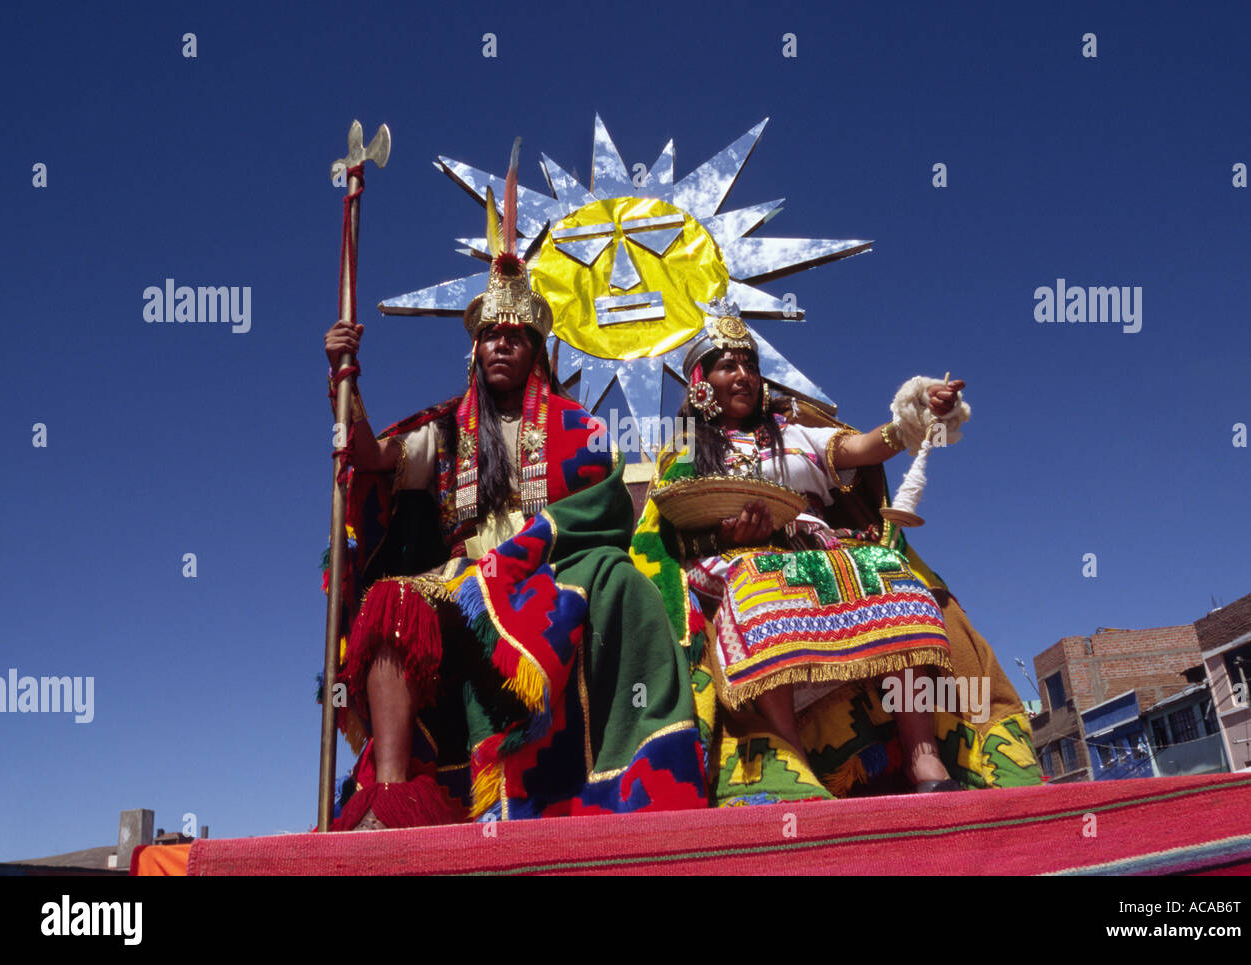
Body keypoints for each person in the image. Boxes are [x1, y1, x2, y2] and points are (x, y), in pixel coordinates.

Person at [321, 189, 706, 829]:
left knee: (621, 584)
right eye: (490, 339)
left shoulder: (579, 426)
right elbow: (366, 457)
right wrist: (344, 376)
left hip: (550, 568)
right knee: (389, 602)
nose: (501, 347)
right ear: (474, 352)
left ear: (536, 354)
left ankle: (618, 782)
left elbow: (604, 506)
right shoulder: (442, 431)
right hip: (462, 579)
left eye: (516, 339)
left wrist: (524, 551)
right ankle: (390, 798)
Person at [631, 298, 1042, 804]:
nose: (743, 375)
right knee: (757, 587)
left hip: (818, 554)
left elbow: (867, 447)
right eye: (727, 365)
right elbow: (672, 532)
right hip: (734, 565)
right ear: (701, 383)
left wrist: (918, 410)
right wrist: (735, 536)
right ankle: (790, 761)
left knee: (892, 574)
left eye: (750, 366)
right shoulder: (687, 452)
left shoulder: (791, 433)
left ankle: (923, 755)